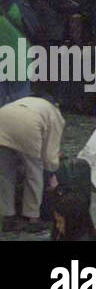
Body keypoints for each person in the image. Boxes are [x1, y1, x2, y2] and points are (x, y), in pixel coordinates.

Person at [0, 95, 63, 234]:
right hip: (28, 125)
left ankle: (8, 217)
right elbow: (50, 152)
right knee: (34, 173)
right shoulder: (55, 113)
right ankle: (32, 218)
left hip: (2, 117)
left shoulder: (27, 101)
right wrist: (51, 173)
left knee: (5, 174)